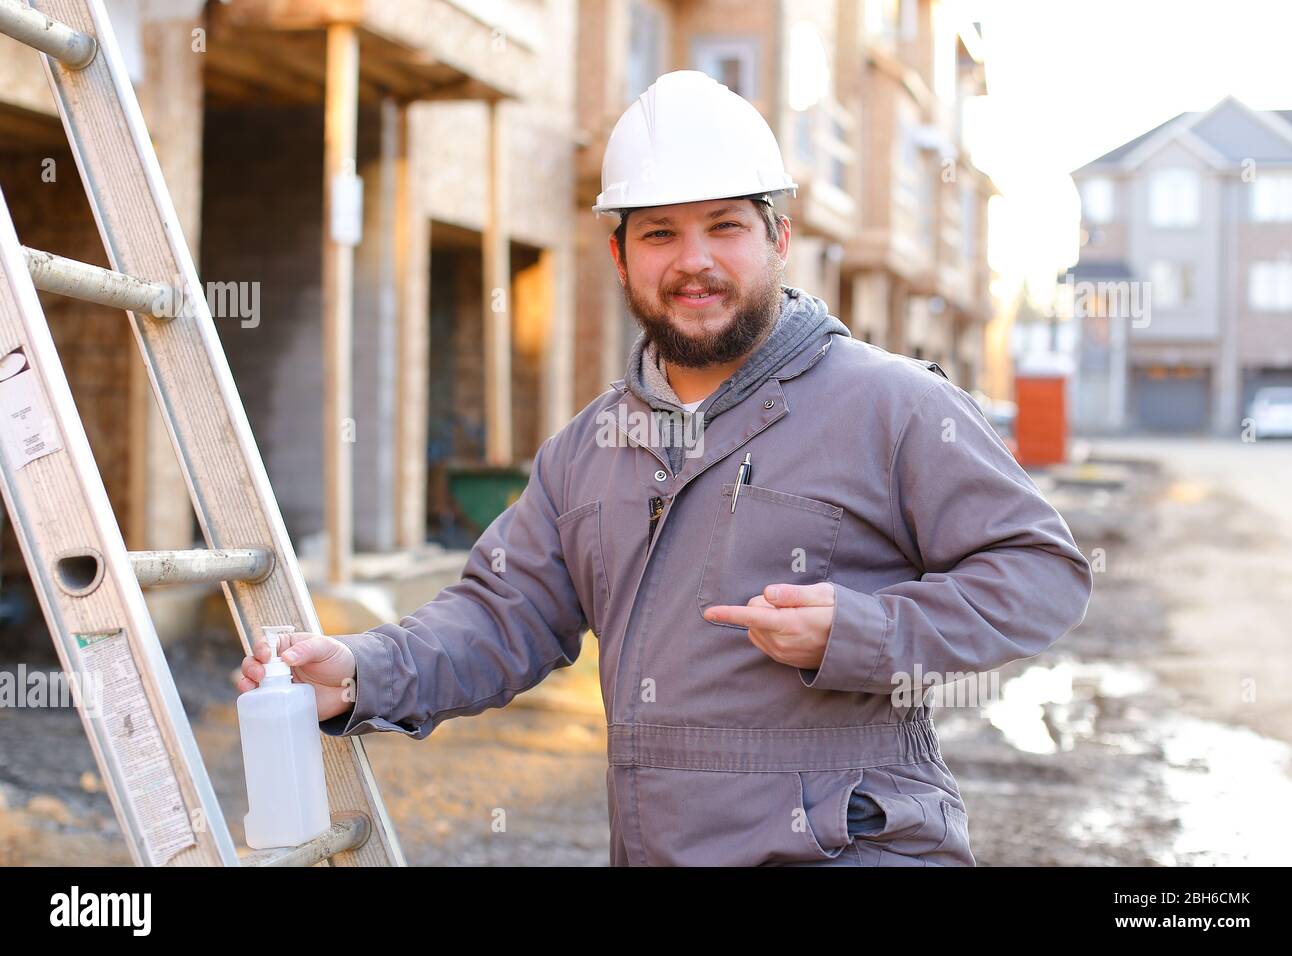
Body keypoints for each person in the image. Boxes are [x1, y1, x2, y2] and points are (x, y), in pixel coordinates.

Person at [239, 70, 1092, 866]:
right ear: (620, 257)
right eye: (659, 233)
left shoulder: (892, 405)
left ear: (779, 237)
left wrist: (867, 633)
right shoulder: (585, 451)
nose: (694, 260)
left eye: (725, 225)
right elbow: (503, 616)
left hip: (856, 847)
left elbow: (1041, 573)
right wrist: (360, 670)